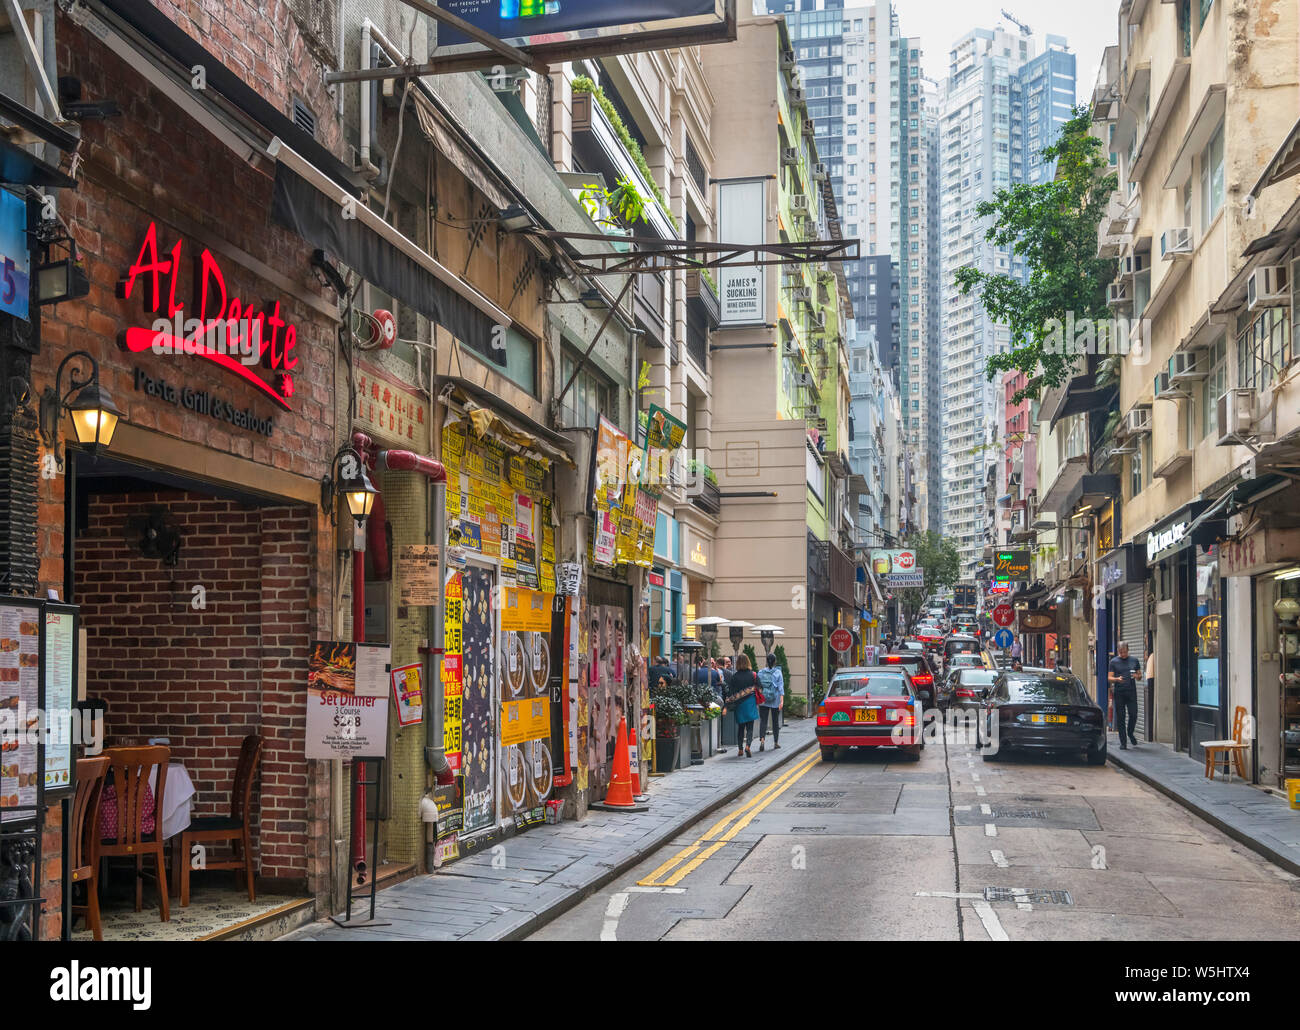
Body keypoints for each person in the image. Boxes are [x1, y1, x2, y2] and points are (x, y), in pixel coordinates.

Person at [723, 653, 761, 758]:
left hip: (739, 704)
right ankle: (748, 746)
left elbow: (730, 693)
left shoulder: (735, 676)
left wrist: (726, 706)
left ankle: (740, 749)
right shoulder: (753, 675)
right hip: (750, 702)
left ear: (738, 663)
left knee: (740, 727)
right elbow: (760, 687)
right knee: (750, 727)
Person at [1108, 640, 1142, 749]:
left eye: (1125, 652)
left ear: (1128, 650)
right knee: (1121, 717)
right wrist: (1117, 679)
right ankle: (1123, 742)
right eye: (1121, 652)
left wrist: (1137, 677)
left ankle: (1130, 733)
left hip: (1131, 692)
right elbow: (1109, 677)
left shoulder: (1134, 661)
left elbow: (1140, 675)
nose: (1123, 654)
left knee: (1134, 714)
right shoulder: (1113, 662)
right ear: (1118, 651)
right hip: (1119, 693)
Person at [757, 653, 785, 751]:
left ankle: (762, 741)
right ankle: (776, 742)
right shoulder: (778, 672)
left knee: (763, 721)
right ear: (774, 662)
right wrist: (781, 701)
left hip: (764, 699)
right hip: (775, 699)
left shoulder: (760, 672)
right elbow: (781, 688)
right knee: (775, 721)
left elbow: (758, 686)